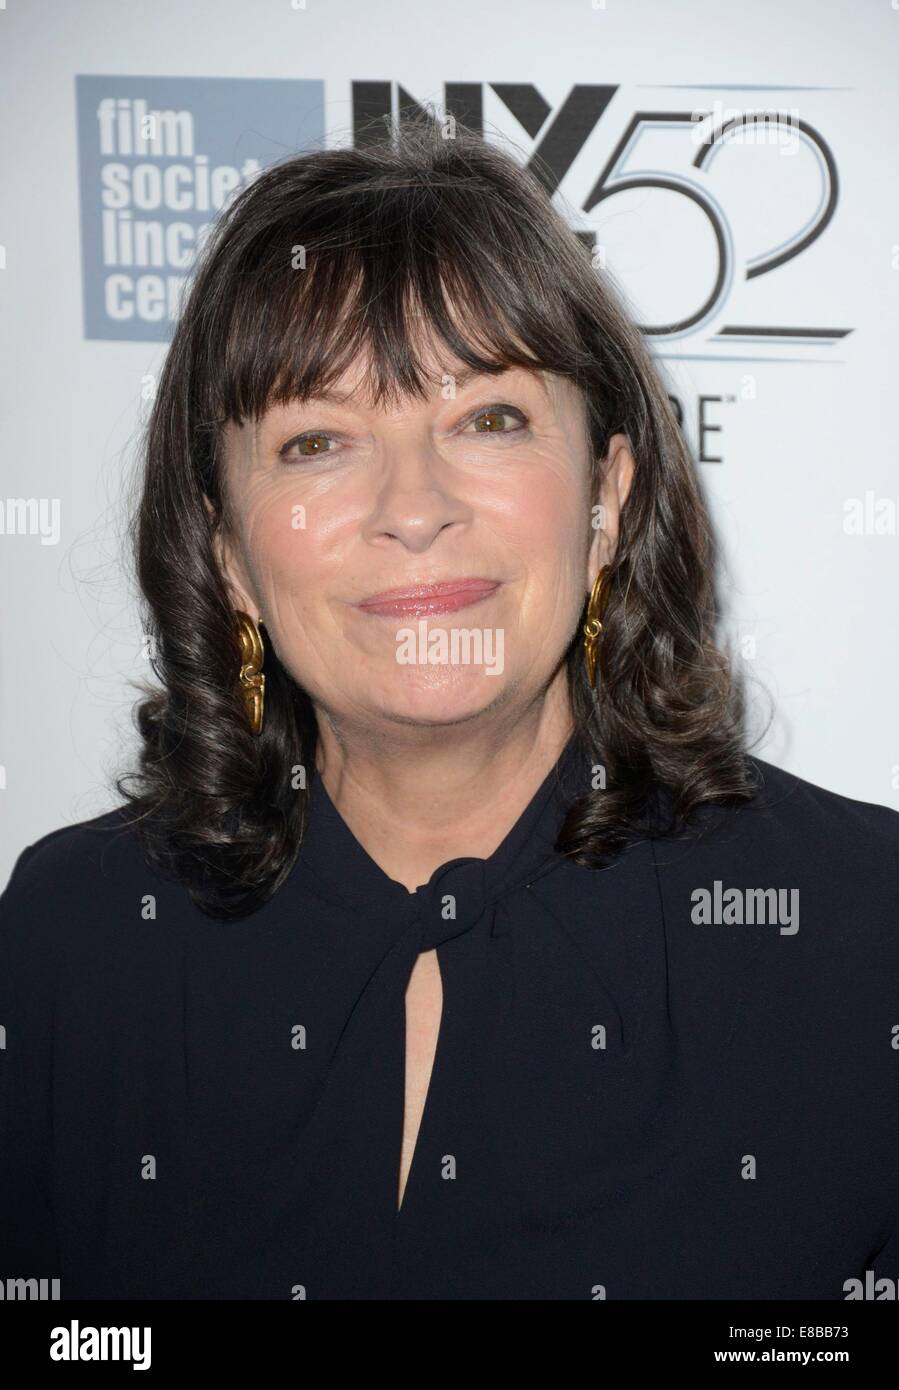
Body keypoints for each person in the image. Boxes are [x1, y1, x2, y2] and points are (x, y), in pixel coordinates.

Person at [1, 119, 897, 1301]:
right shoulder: (74, 939)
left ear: (608, 499)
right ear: (224, 551)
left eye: (486, 418)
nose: (411, 506)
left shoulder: (860, 935)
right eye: (316, 438)